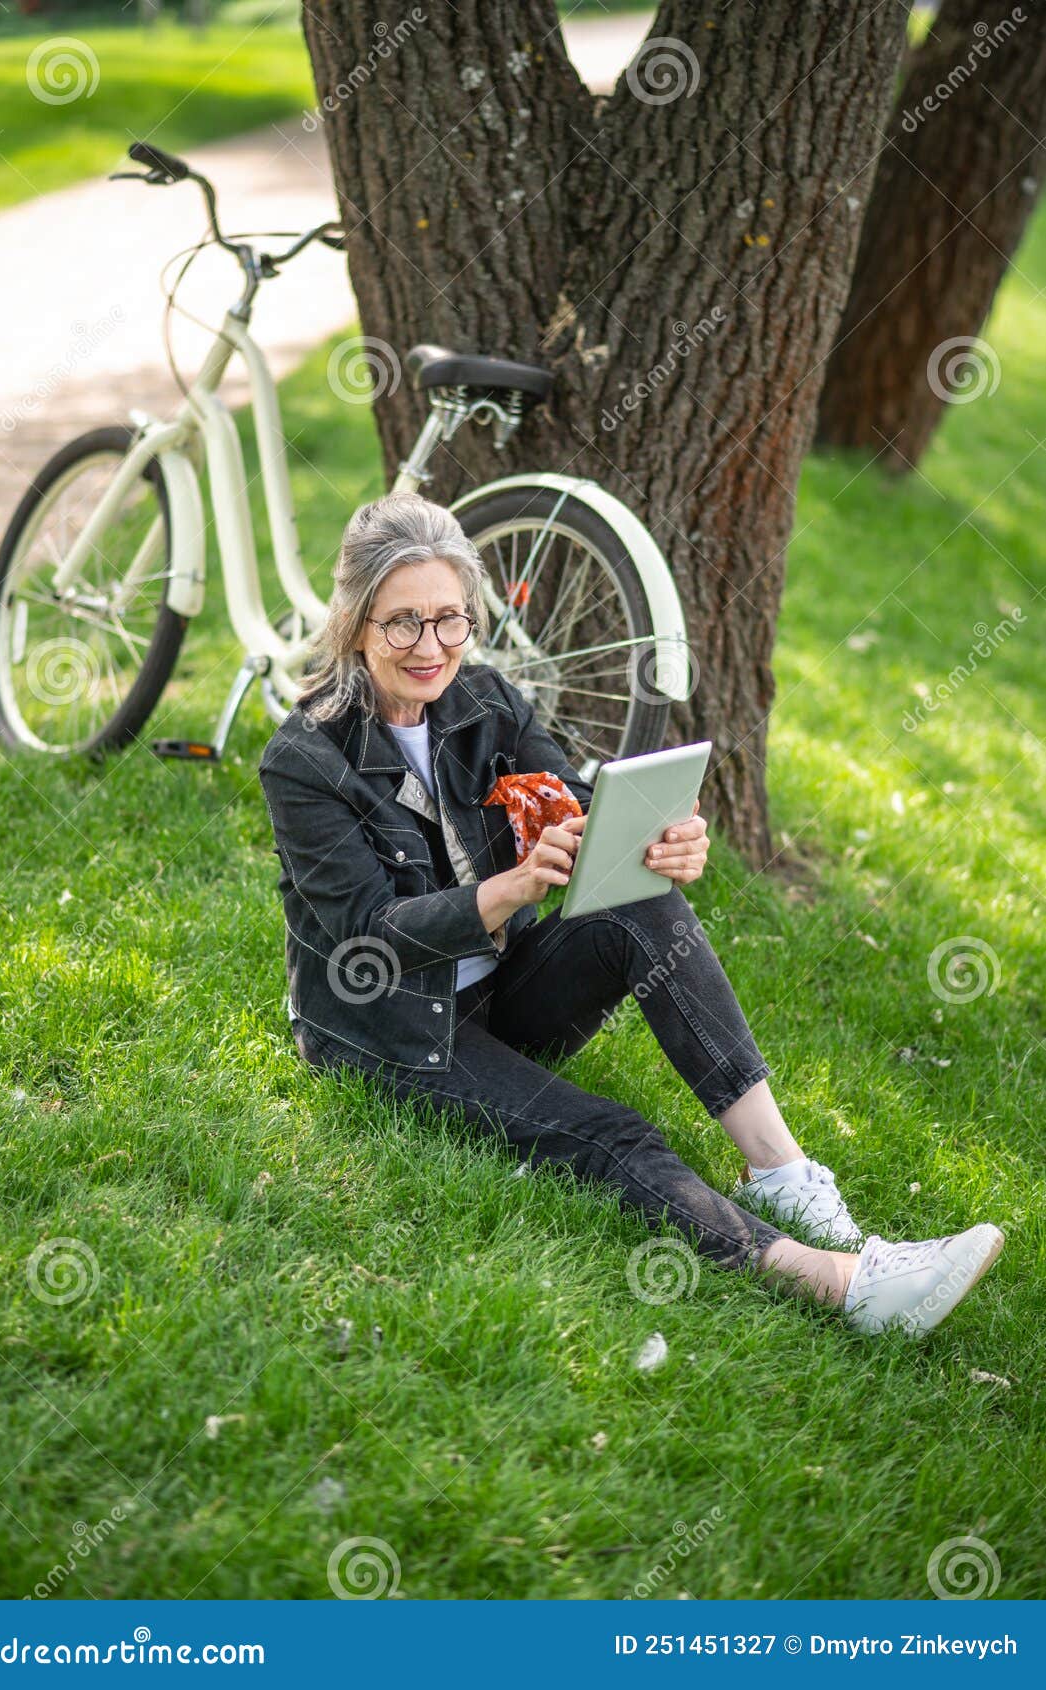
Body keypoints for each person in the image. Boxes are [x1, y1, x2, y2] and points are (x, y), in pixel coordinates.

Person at [258, 492, 1004, 1338]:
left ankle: (783, 1173)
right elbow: (368, 935)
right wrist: (508, 890)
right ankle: (838, 1283)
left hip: (501, 988)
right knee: (607, 1131)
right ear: (356, 626)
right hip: (396, 1029)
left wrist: (662, 841)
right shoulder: (305, 758)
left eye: (448, 620)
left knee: (644, 902)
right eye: (401, 625)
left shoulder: (487, 701)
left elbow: (581, 801)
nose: (430, 648)